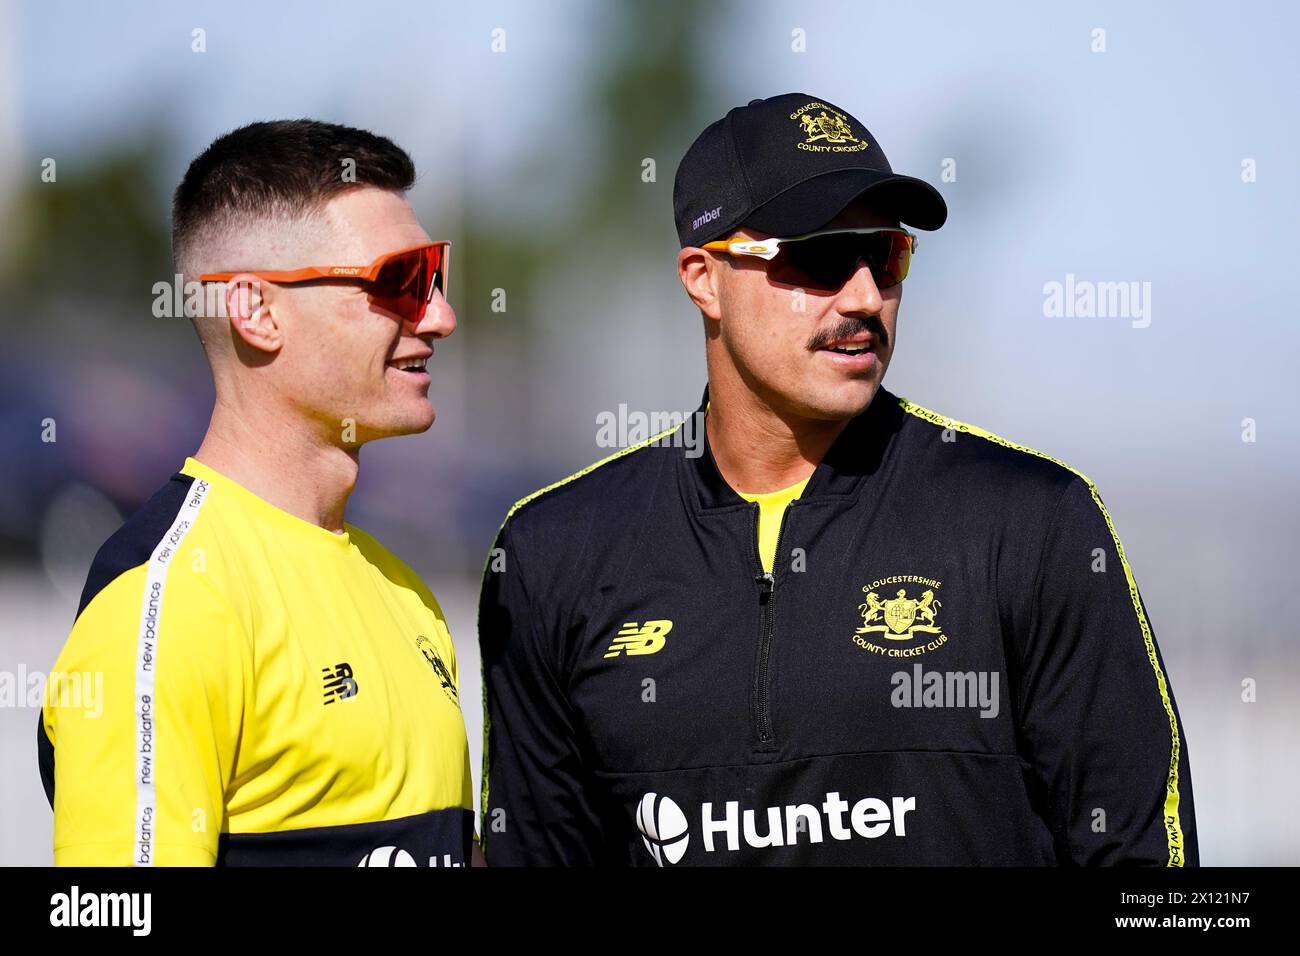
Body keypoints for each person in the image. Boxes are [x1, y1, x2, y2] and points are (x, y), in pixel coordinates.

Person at [478, 93, 1197, 866]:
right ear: (703, 277)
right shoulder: (553, 552)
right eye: (818, 256)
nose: (863, 298)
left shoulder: (1033, 522)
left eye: (886, 256)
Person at [38, 119, 478, 867]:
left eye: (436, 277)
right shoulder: (169, 600)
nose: (439, 315)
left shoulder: (406, 592)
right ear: (257, 310)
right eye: (402, 280)